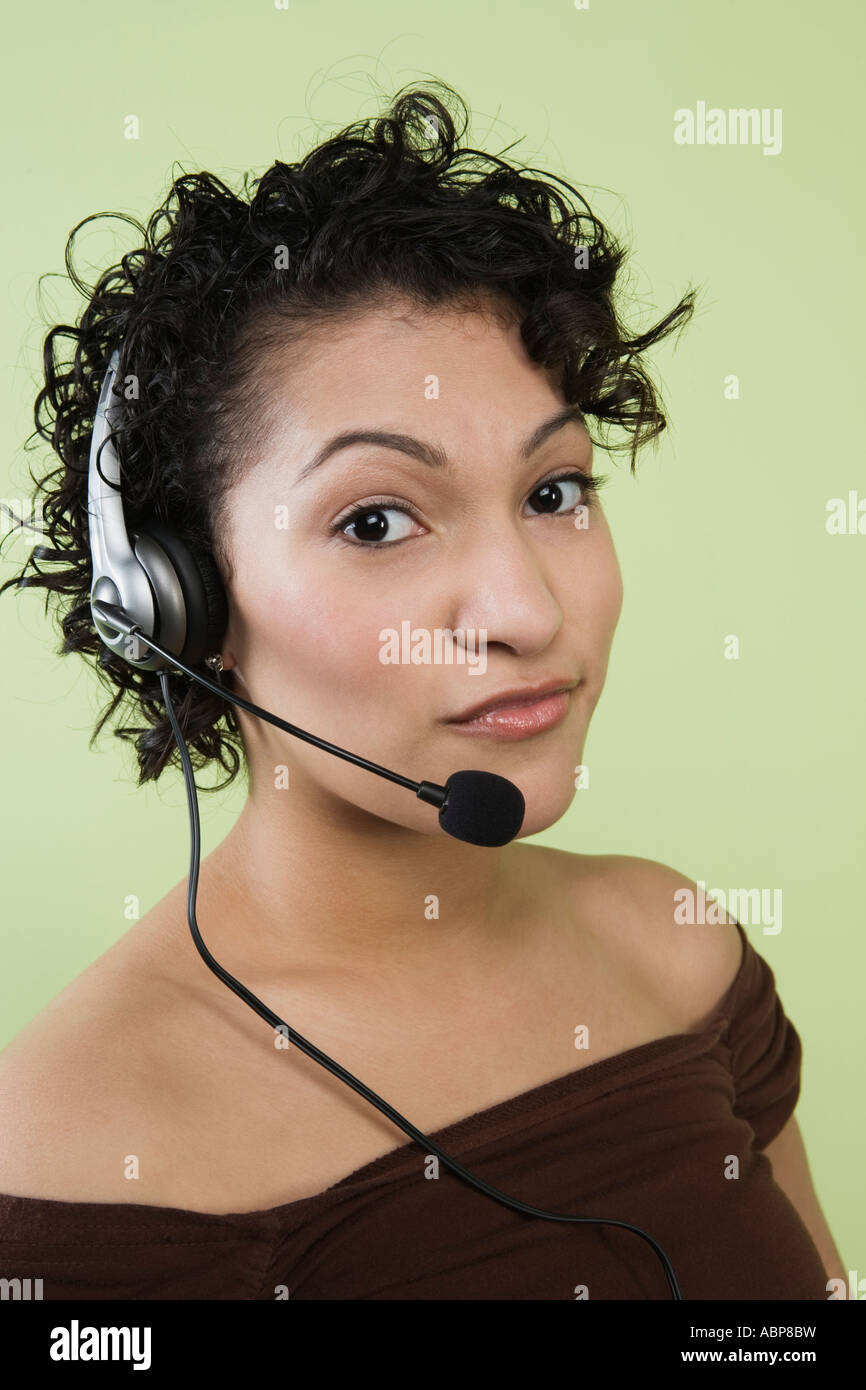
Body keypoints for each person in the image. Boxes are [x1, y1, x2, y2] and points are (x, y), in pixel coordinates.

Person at [0, 80, 844, 1299]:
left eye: (553, 491)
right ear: (176, 601)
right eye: (379, 519)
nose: (525, 613)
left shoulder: (671, 948)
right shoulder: (63, 1153)